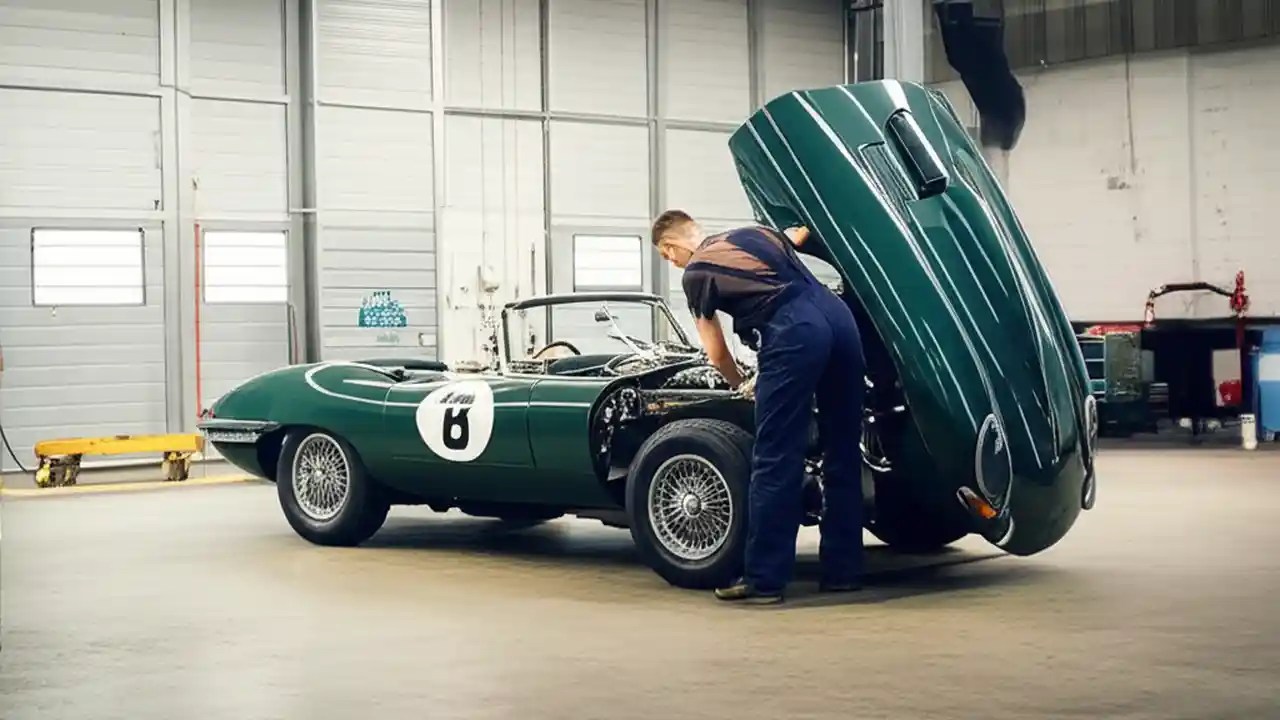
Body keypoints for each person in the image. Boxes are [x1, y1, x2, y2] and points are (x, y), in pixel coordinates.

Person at [650, 209, 865, 605]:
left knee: (776, 456)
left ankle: (765, 579)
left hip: (796, 329)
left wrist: (742, 385)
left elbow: (715, 353)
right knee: (844, 451)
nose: (672, 262)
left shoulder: (696, 272)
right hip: (841, 321)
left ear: (670, 247)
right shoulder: (757, 232)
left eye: (668, 257)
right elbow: (801, 232)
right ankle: (843, 571)